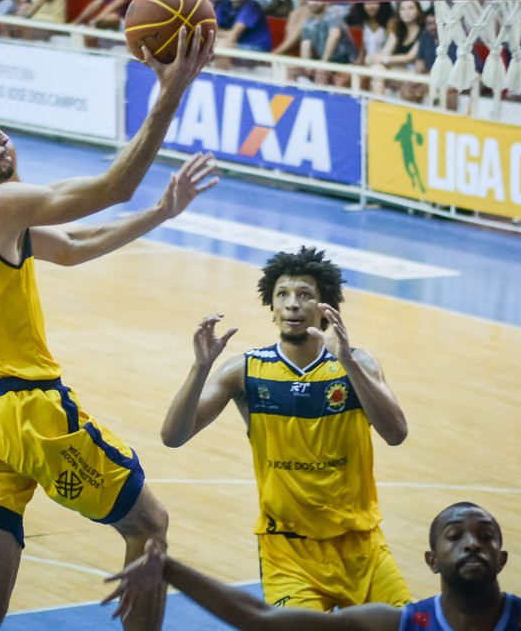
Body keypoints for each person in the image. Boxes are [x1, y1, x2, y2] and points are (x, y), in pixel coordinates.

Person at [0, 27, 216, 631]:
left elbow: (73, 247)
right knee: (150, 525)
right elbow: (113, 188)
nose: (3, 137)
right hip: (26, 410)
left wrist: (160, 212)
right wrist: (169, 95)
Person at [160, 247, 410, 611]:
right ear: (272, 307)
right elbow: (173, 436)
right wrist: (200, 368)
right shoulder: (244, 370)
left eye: (304, 294)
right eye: (283, 295)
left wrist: (348, 363)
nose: (292, 304)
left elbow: (396, 433)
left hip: (362, 547)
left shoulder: (358, 363)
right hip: (288, 553)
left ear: (324, 307)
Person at [104, 502, 521, 631]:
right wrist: (169, 570)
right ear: (431, 561)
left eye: (485, 537)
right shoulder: (401, 624)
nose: (472, 545)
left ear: (501, 558)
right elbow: (261, 620)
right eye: (455, 537)